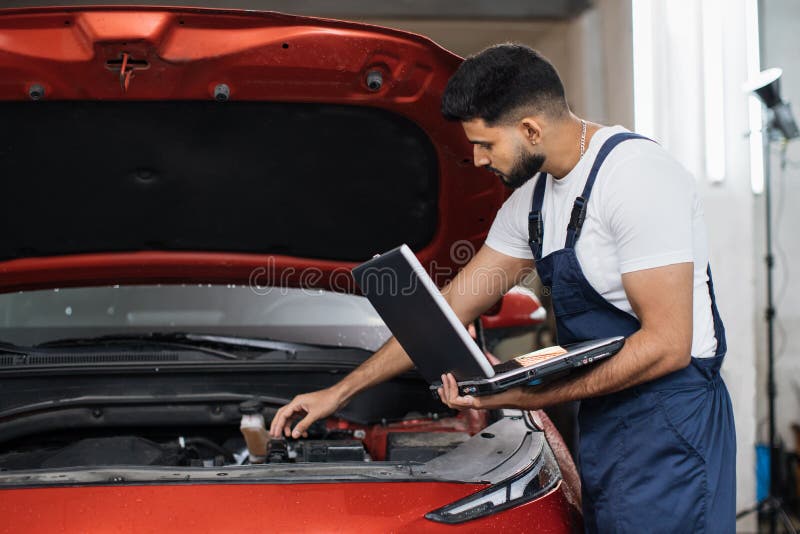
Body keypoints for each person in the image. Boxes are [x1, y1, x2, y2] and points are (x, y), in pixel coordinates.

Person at [270, 43, 736, 532]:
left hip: (671, 421)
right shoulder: (531, 204)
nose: (476, 159)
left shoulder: (635, 178)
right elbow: (449, 309)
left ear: (531, 129)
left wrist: (525, 397)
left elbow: (667, 345)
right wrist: (339, 392)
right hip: (605, 418)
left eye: (486, 144)